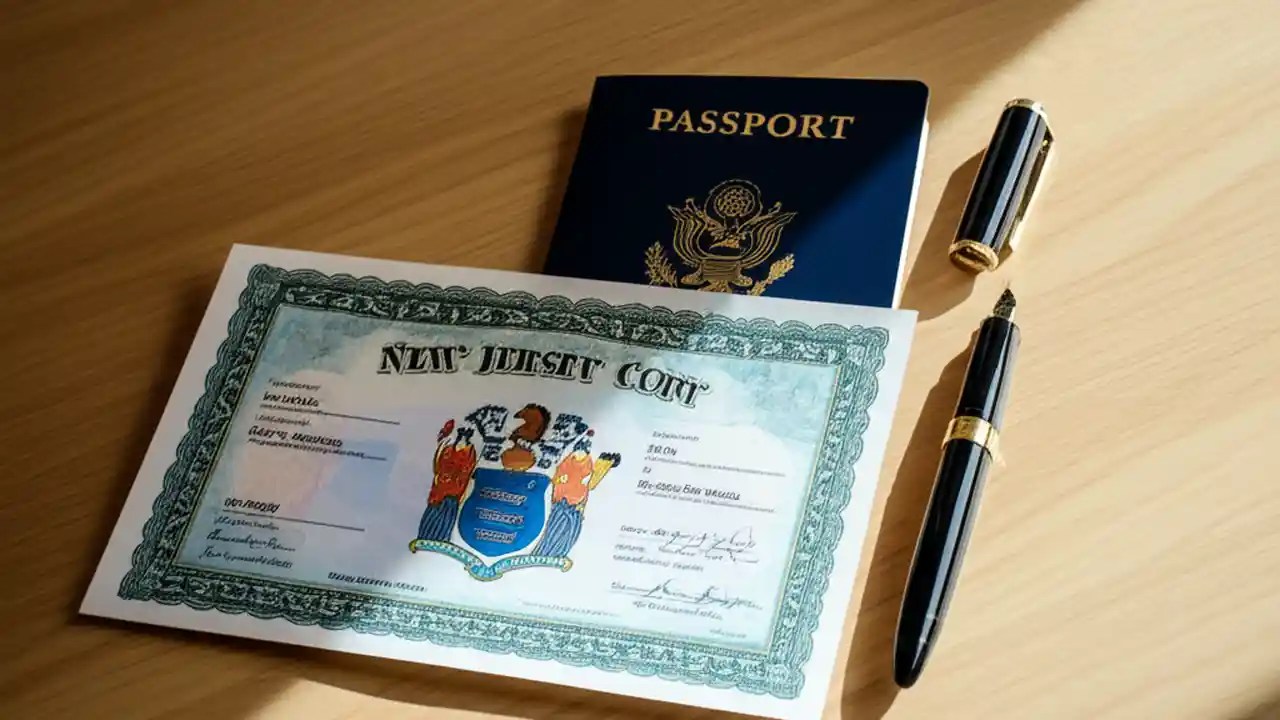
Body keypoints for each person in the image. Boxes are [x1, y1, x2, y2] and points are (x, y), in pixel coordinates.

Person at [532, 432, 619, 558]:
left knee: (568, 532)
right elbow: (557, 478)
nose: (579, 454)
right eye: (577, 451)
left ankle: (557, 555)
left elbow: (592, 482)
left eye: (582, 452)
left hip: (576, 507)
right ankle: (543, 554)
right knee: (554, 531)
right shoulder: (566, 463)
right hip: (560, 504)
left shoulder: (588, 465)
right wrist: (561, 480)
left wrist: (606, 463)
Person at [418, 423, 477, 542]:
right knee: (432, 515)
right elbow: (439, 464)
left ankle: (440, 539)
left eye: (465, 437)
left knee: (445, 518)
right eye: (461, 436)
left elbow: (467, 471)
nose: (462, 440)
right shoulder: (448, 449)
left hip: (454, 491)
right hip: (440, 489)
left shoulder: (470, 452)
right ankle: (424, 537)